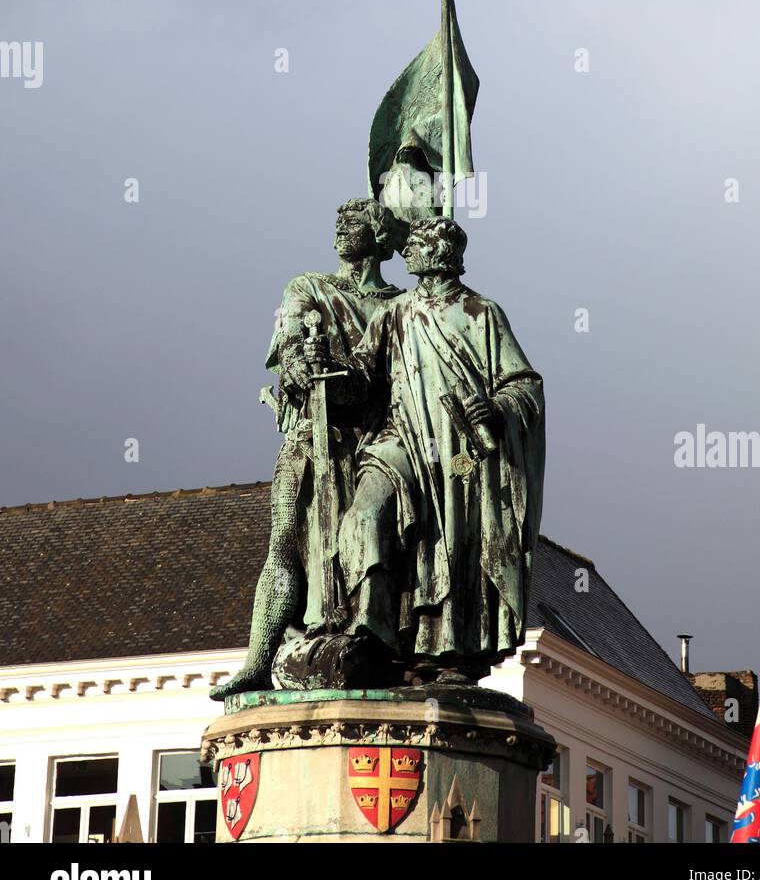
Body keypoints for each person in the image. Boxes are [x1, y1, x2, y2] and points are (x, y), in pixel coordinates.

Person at [337, 216, 545, 684]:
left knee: (457, 539)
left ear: (438, 253)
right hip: (403, 442)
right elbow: (362, 376)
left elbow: (524, 384)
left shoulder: (482, 314)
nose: (405, 252)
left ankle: (448, 650)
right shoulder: (396, 313)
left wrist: (498, 408)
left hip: (459, 455)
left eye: (414, 244)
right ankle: (370, 628)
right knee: (367, 512)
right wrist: (319, 373)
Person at [210, 199, 402, 700]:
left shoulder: (397, 305)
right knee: (285, 542)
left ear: (379, 237)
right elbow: (288, 344)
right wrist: (300, 362)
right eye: (338, 222)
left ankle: (372, 636)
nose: (341, 229)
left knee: (373, 540)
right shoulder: (308, 287)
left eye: (354, 222)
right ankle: (257, 660)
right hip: (311, 437)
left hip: (374, 440)